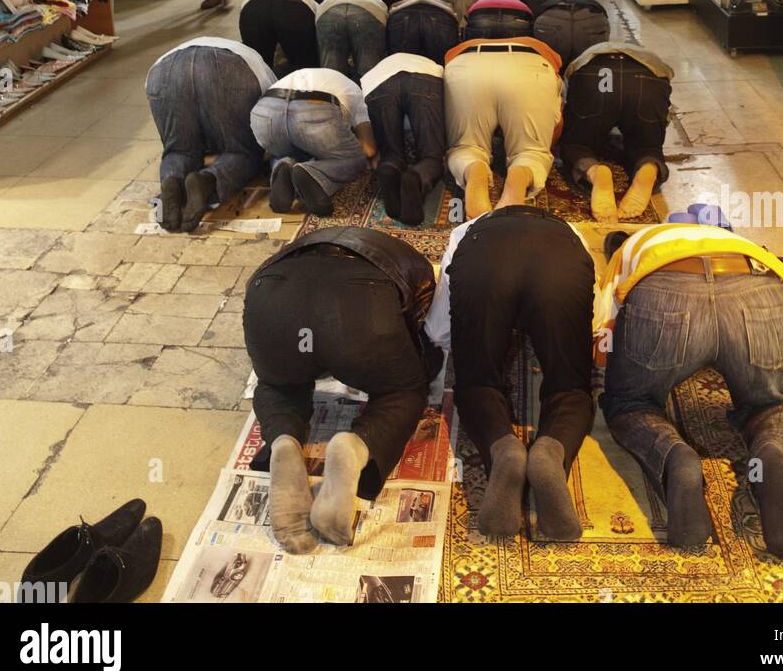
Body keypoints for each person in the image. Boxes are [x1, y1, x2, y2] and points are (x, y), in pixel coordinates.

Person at [599, 221, 783, 558]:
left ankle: (675, 457)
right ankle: (771, 454)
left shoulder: (625, 256)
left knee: (630, 402)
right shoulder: (741, 242)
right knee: (768, 405)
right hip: (760, 290)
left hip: (666, 293)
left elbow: (600, 348)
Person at [243, 226, 443, 552]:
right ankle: (354, 447)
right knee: (402, 392)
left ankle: (282, 442)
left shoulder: (290, 252)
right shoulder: (417, 265)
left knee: (279, 384)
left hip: (271, 295)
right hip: (361, 304)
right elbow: (419, 336)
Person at [425, 205, 594, 540]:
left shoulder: (463, 234)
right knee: (571, 387)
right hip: (560, 263)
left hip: (484, 263)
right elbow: (595, 320)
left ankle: (503, 448)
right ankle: (551, 450)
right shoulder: (574, 234)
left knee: (476, 382)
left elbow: (439, 331)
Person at [146, 37, 272, 233]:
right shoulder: (263, 69)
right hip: (231, 69)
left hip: (164, 70)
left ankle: (171, 180)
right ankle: (208, 181)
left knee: (179, 151)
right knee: (243, 152)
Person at [443, 35, 562, 217]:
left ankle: (473, 167)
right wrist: (542, 146)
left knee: (465, 147)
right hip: (530, 67)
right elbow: (557, 125)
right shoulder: (542, 47)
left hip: (466, 67)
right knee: (531, 151)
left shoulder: (462, 45)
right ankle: (520, 175)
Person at [559, 42, 673, 220]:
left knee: (576, 144)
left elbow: (566, 106)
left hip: (594, 77)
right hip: (647, 79)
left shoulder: (586, 57)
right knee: (647, 147)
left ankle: (596, 172)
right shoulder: (648, 56)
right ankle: (648, 168)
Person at [250, 67, 378, 216]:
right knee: (356, 158)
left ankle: (283, 163)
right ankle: (314, 174)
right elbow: (369, 149)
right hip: (314, 108)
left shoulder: (312, 75)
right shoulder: (357, 93)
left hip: (264, 110)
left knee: (294, 146)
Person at [362, 52, 446, 224]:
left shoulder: (379, 66)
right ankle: (416, 176)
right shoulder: (429, 61)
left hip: (378, 83)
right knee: (432, 156)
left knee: (391, 155)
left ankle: (388, 168)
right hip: (425, 79)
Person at [239, 0, 319, 69]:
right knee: (304, 64)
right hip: (294, 6)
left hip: (253, 6)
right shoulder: (311, 2)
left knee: (257, 64)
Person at [315, 0, 388, 80]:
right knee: (369, 69)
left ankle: (332, 93)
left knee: (332, 70)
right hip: (369, 9)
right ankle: (369, 93)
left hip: (329, 8)